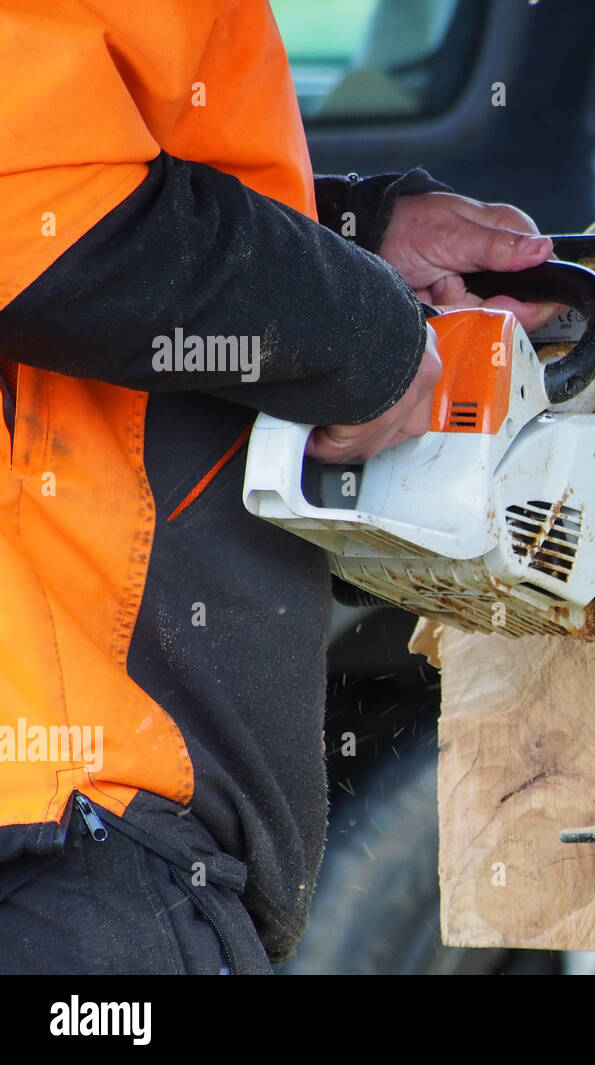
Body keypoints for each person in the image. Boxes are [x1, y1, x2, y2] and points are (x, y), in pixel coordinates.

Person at [0, 1, 553, 973]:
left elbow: (79, 143)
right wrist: (354, 333)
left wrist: (340, 236)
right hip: (55, 830)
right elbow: (32, 209)